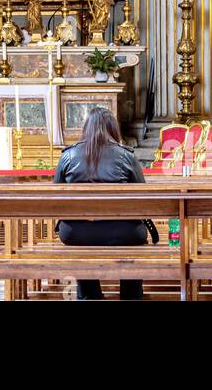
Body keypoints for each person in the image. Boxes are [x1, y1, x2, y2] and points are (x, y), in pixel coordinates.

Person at [53, 108, 147, 300]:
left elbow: (56, 198)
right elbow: (143, 198)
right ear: (113, 128)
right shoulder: (126, 156)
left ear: (86, 129)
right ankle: (131, 296)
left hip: (76, 232)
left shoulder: (68, 156)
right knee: (134, 239)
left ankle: (89, 295)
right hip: (124, 233)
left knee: (81, 240)